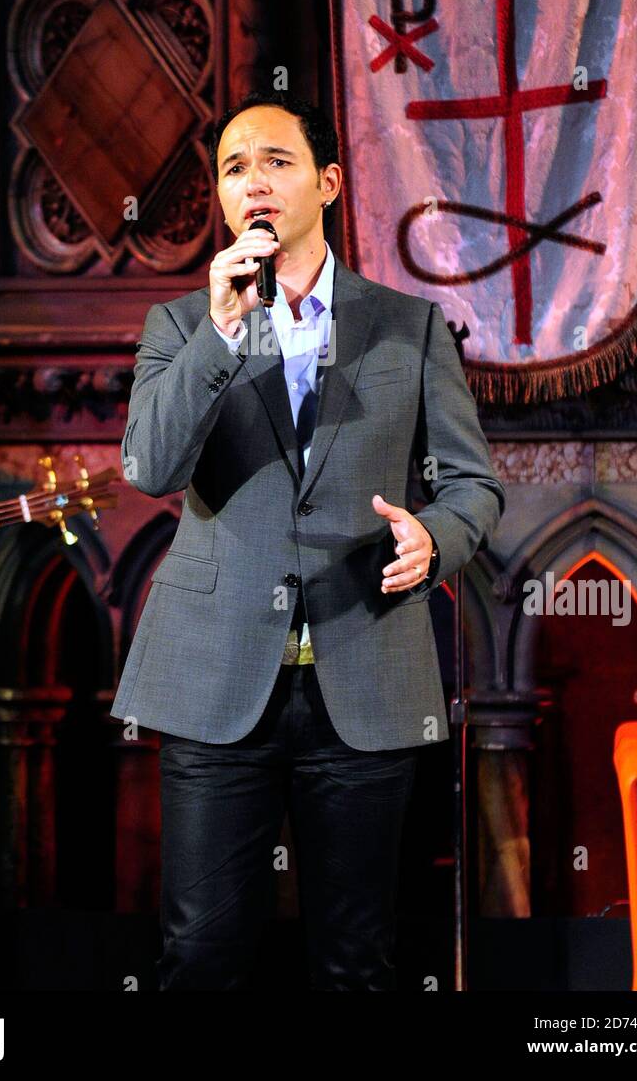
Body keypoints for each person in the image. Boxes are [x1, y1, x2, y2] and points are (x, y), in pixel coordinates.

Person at [111, 91, 506, 990]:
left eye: (275, 162)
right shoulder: (180, 325)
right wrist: (220, 328)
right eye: (233, 167)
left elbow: (472, 483)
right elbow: (150, 465)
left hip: (362, 673)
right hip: (216, 685)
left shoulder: (407, 326)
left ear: (326, 183)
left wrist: (434, 539)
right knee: (201, 956)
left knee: (355, 963)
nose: (253, 181)